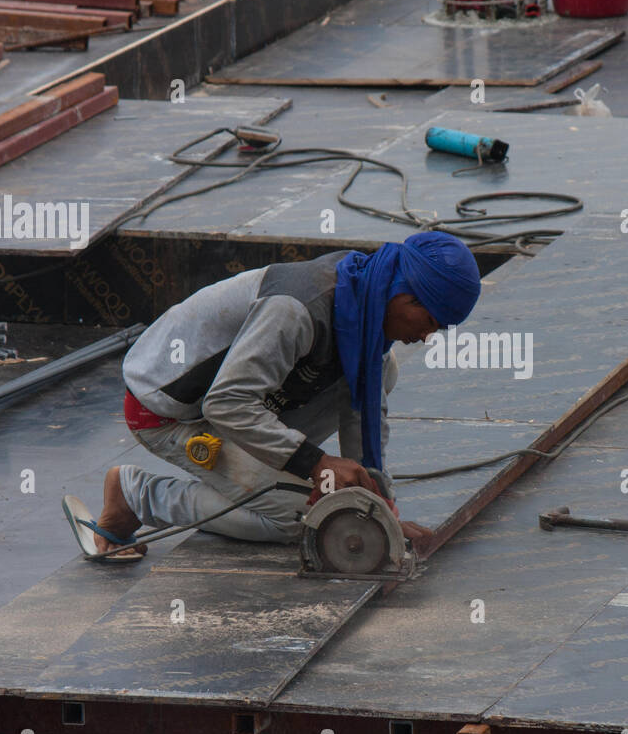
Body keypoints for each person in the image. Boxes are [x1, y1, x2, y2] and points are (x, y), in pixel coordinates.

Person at [62, 231, 481, 562]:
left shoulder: (365, 299)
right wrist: (315, 463)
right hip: (170, 413)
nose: (427, 335)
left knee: (381, 371)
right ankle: (137, 495)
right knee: (300, 517)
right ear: (403, 294)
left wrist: (381, 511)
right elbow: (225, 404)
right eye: (428, 320)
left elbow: (360, 409)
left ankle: (236, 474)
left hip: (243, 400)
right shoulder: (299, 308)